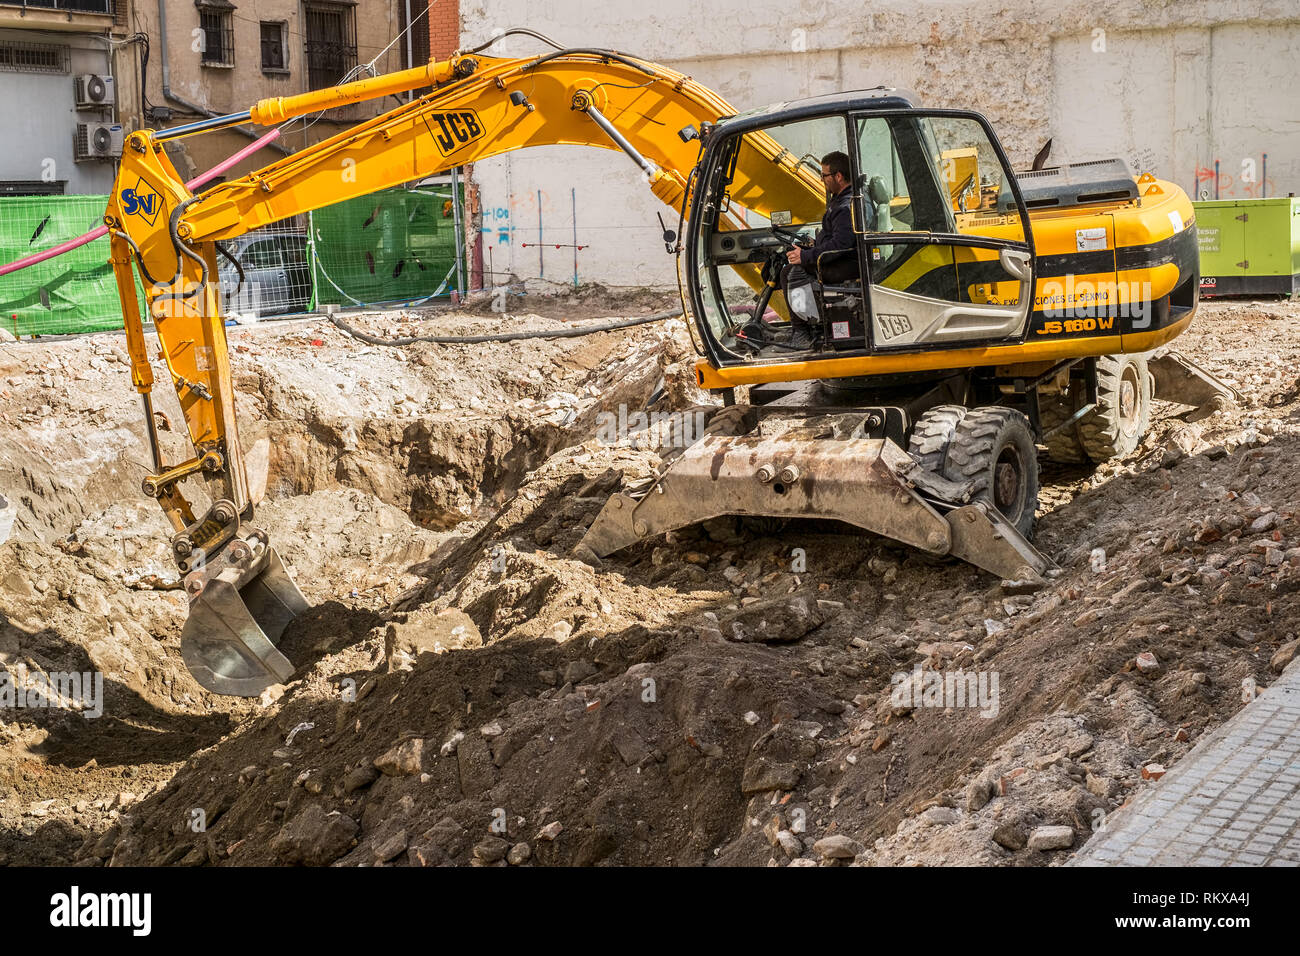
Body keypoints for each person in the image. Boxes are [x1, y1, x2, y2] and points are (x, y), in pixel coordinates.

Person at [779, 150, 867, 349]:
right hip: (844, 259)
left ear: (838, 176)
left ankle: (802, 333)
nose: (822, 179)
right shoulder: (842, 199)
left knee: (791, 272)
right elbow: (836, 238)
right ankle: (810, 324)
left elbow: (840, 246)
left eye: (824, 175)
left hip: (846, 264)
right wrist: (812, 246)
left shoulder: (845, 206)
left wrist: (806, 256)